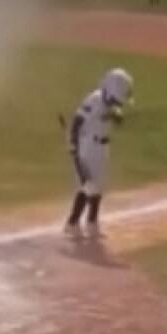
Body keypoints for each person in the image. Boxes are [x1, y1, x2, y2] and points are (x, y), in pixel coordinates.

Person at [63, 68, 133, 240]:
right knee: (87, 186)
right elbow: (77, 122)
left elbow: (115, 114)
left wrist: (115, 116)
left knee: (99, 187)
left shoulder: (110, 103)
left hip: (102, 146)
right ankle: (72, 223)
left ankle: (92, 223)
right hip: (88, 146)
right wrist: (73, 145)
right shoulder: (93, 100)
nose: (117, 102)